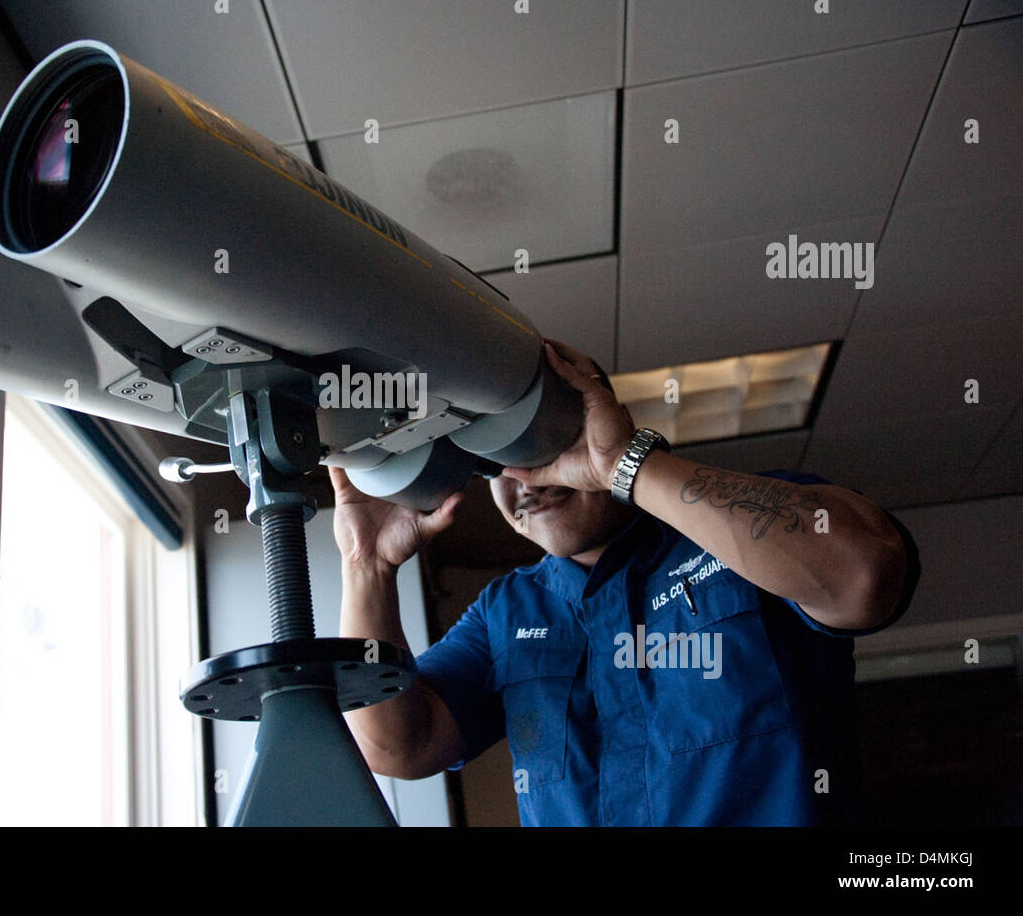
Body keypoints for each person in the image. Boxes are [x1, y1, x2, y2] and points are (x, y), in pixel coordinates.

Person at [330, 338, 919, 826]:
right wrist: (367, 567)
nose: (524, 479)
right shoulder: (507, 612)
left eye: (539, 440)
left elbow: (864, 575)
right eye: (494, 460)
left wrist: (627, 467)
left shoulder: (740, 530)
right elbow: (394, 746)